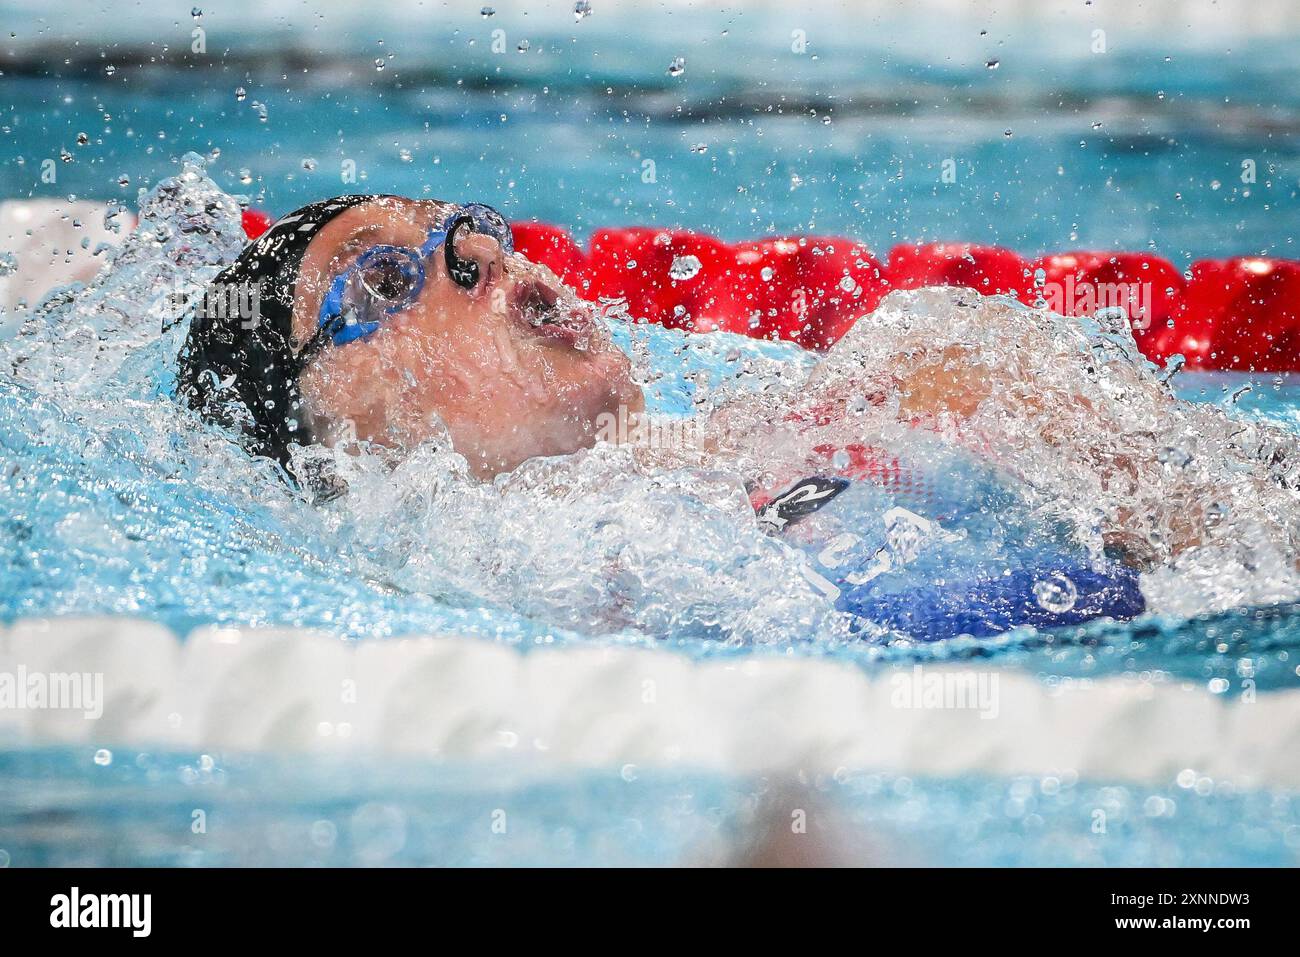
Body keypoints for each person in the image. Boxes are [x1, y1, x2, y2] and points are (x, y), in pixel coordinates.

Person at [177, 193, 1148, 640]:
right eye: (390, 277)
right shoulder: (508, 580)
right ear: (342, 433)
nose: (484, 256)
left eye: (472, 235)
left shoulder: (777, 423)